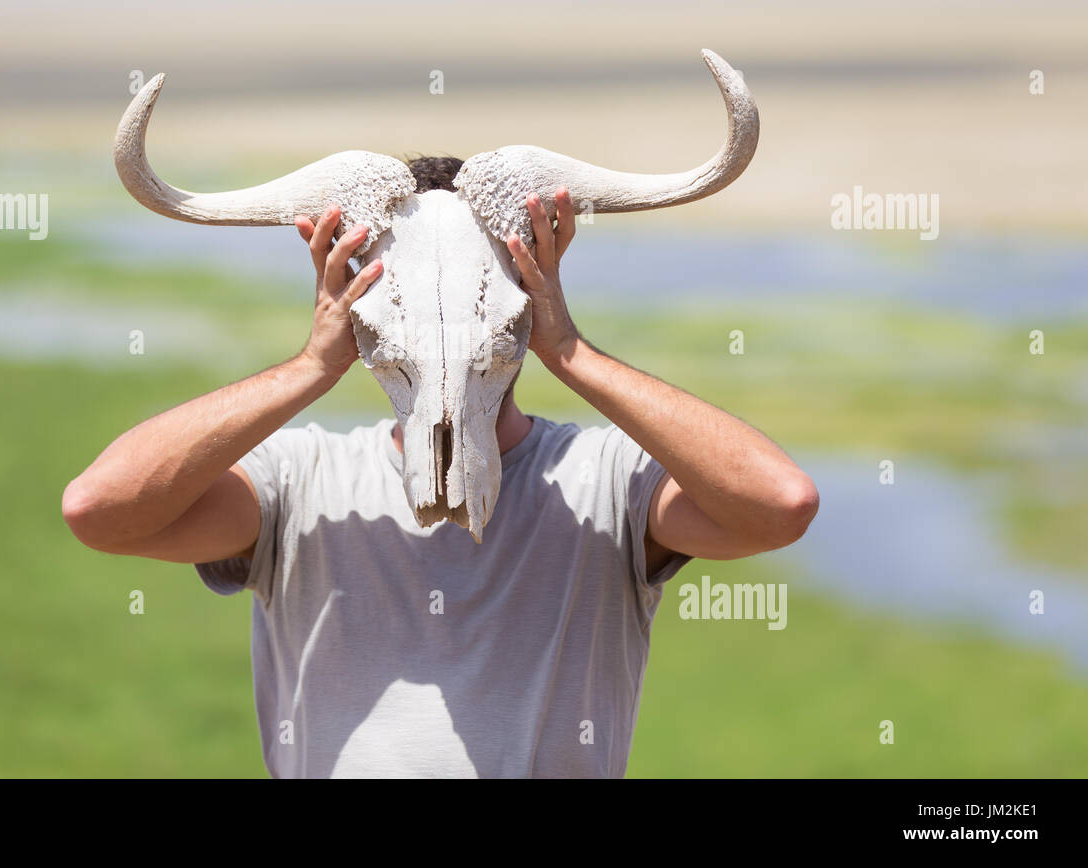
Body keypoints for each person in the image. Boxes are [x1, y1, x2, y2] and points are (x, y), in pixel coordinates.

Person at [62, 158, 819, 778]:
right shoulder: (301, 479)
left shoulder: (604, 480)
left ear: (527, 297)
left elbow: (780, 504)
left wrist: (570, 352)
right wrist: (309, 367)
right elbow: (100, 510)